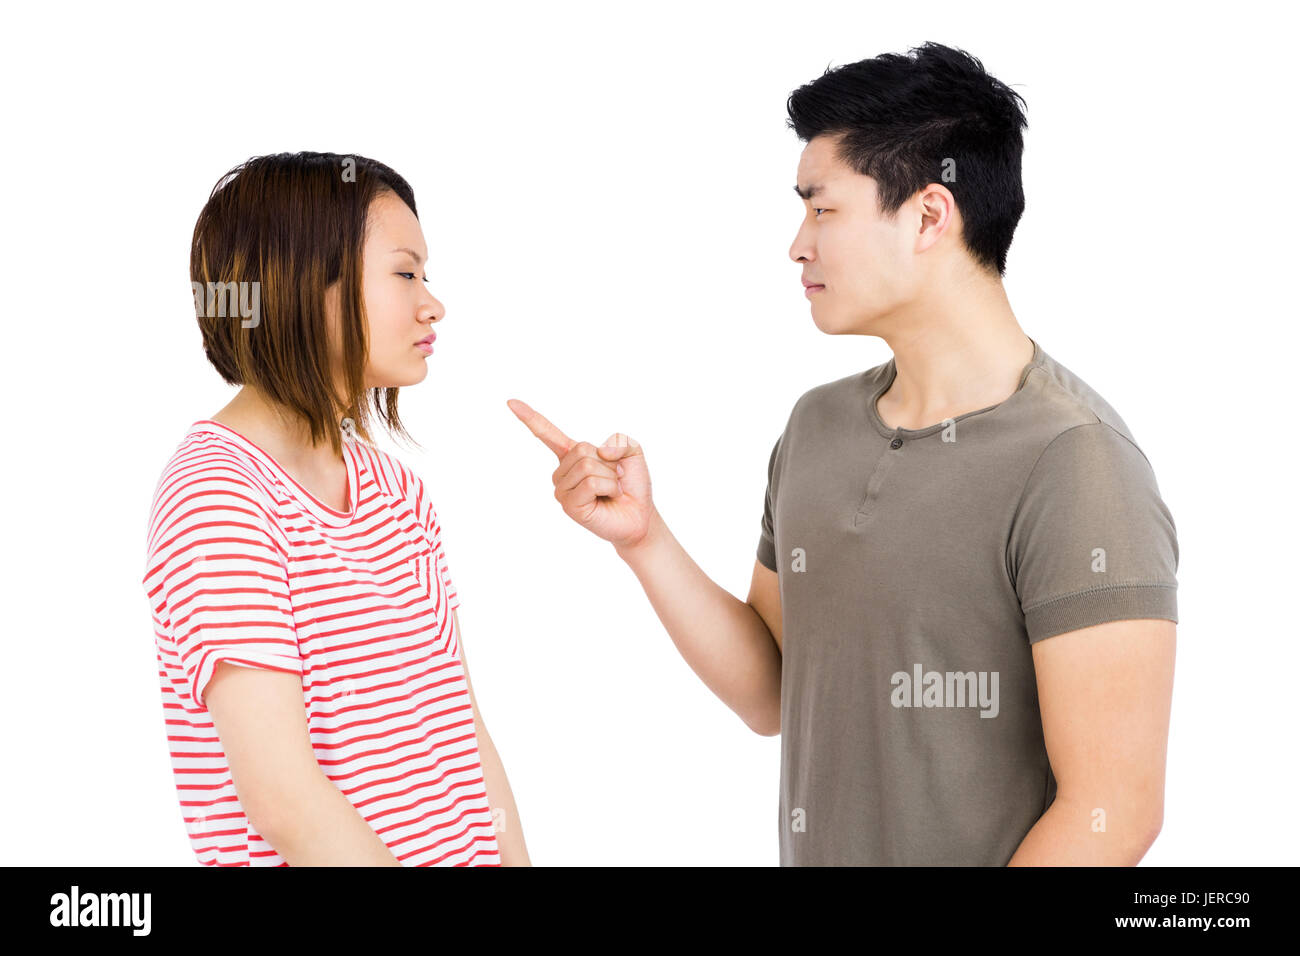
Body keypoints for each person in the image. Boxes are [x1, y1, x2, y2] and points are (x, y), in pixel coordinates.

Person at [510, 42, 1178, 866]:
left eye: (821, 209)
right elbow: (772, 693)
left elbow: (1113, 810)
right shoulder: (817, 426)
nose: (798, 244)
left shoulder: (1077, 463)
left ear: (931, 215)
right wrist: (645, 540)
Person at [142, 152, 528, 866]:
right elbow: (288, 803)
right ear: (298, 286)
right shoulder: (218, 498)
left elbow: (462, 729)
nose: (432, 303)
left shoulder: (396, 490)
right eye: (405, 272)